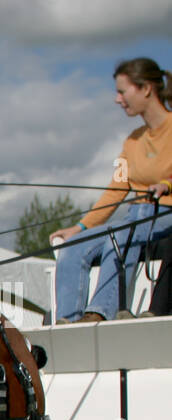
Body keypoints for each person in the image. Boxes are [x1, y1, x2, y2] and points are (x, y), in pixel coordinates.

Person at [51, 57, 172, 323]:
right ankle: (67, 322)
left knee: (121, 237)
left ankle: (100, 313)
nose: (118, 99)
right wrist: (80, 228)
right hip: (134, 217)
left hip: (164, 214)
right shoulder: (132, 140)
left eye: (122, 91)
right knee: (74, 246)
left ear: (146, 89)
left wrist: (166, 185)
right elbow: (115, 190)